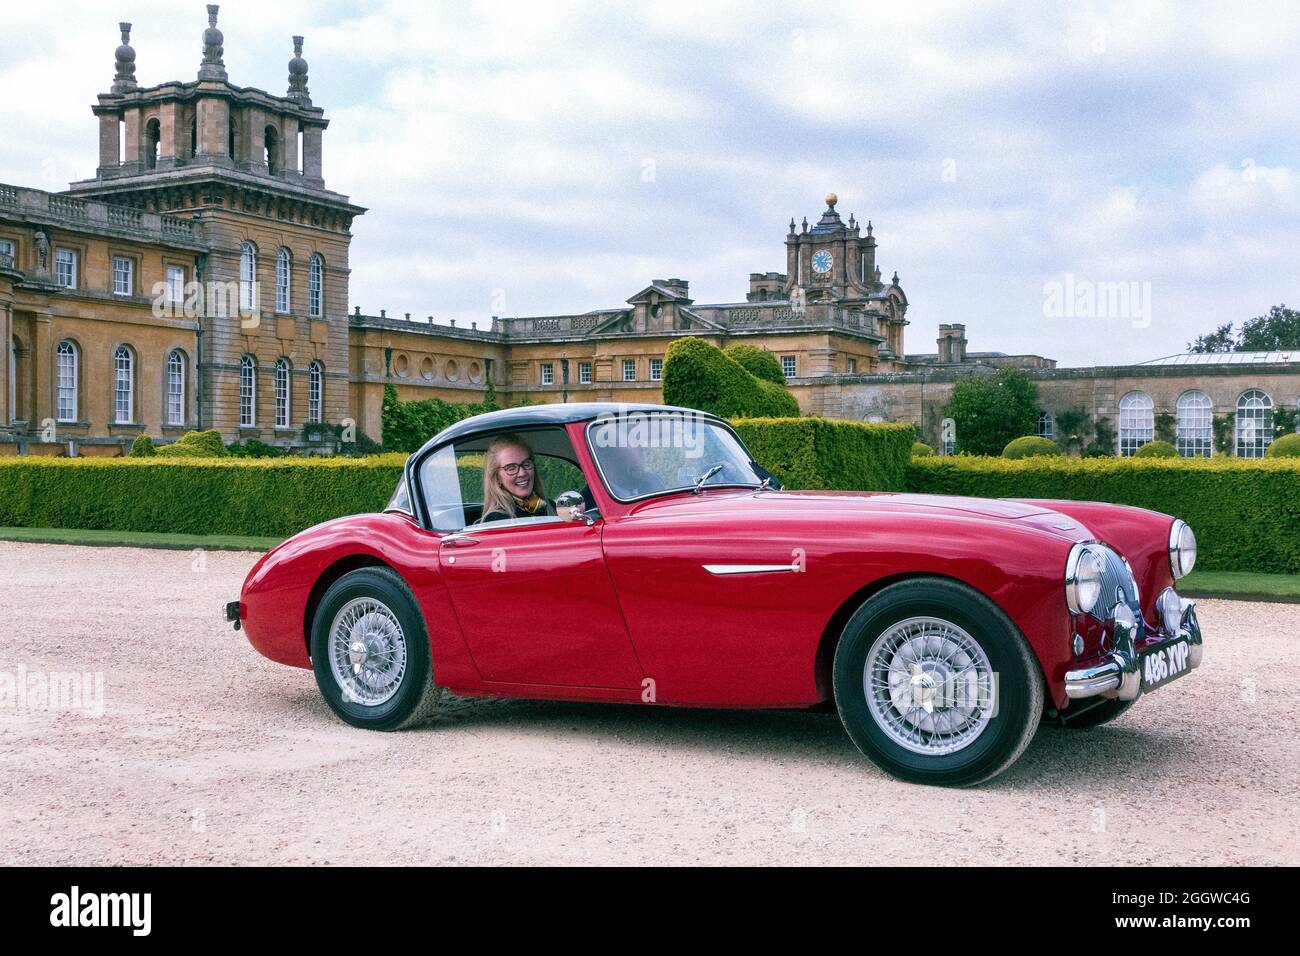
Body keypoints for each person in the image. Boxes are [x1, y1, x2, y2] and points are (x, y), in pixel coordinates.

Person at [479, 434, 556, 523]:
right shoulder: (497, 519)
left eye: (526, 464)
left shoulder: (549, 506)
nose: (522, 473)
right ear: (497, 478)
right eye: (511, 468)